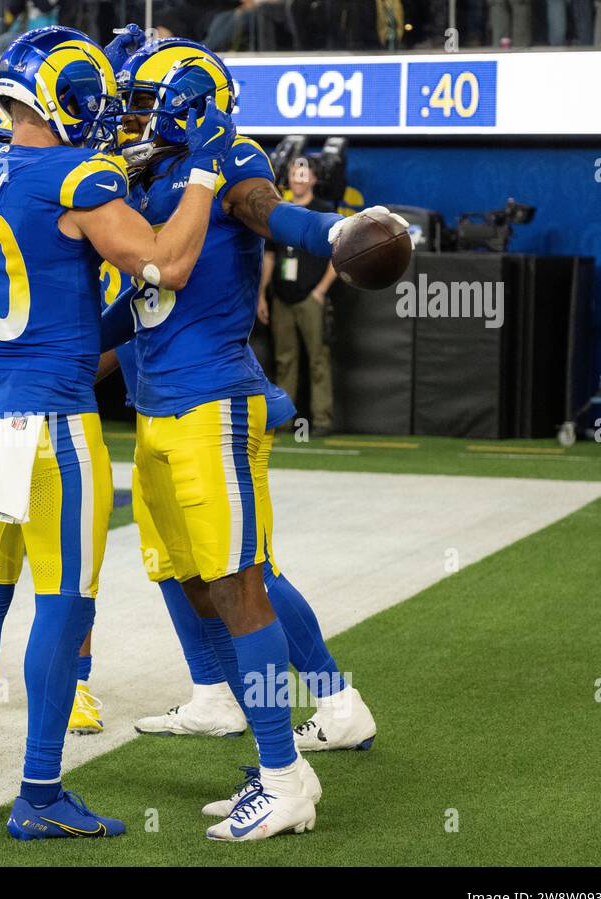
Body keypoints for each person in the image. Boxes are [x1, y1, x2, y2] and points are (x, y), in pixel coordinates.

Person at [0, 25, 230, 840]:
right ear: (58, 102)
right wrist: (206, 175)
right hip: (51, 423)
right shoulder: (80, 176)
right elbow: (165, 263)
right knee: (65, 604)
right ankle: (40, 792)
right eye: (88, 104)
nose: (101, 121)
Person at [112, 36, 402, 840]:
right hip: (162, 404)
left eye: (145, 101)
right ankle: (287, 756)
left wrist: (334, 236)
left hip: (213, 405)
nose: (131, 117)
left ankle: (283, 772)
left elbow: (263, 214)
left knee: (243, 587)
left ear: (189, 107)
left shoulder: (227, 160)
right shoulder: (153, 168)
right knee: (200, 584)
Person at [260, 155, 338, 437]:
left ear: (315, 179)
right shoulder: (280, 211)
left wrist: (321, 290)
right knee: (285, 359)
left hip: (310, 295)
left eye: (305, 173)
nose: (299, 178)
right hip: (282, 294)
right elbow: (269, 255)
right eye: (295, 173)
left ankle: (322, 420)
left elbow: (338, 255)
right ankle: (284, 419)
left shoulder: (324, 211)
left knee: (318, 358)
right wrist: (261, 295)